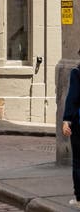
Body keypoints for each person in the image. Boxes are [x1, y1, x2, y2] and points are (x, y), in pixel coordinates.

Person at [62, 52, 80, 207]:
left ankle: (79, 198)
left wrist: (67, 120)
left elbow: (72, 98)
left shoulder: (77, 73)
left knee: (78, 161)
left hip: (79, 124)